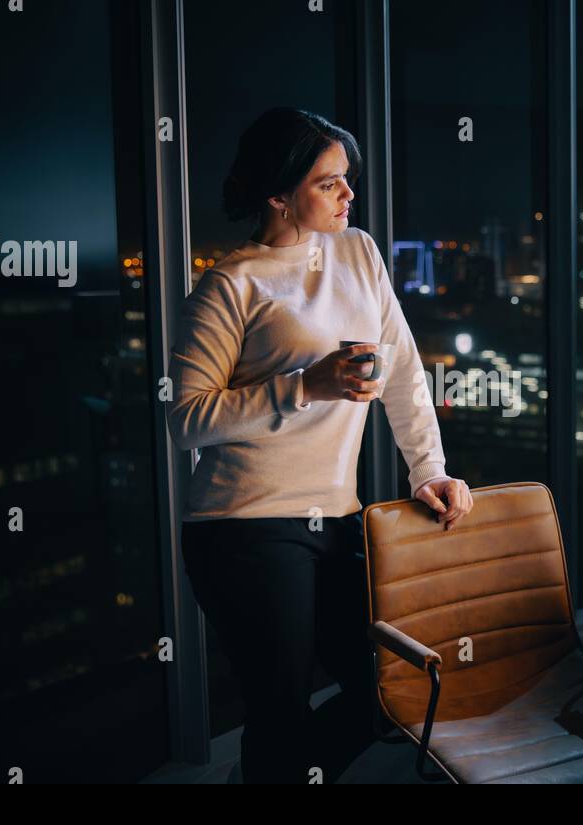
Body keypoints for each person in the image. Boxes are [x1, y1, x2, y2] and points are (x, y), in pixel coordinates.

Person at [167, 107, 473, 783]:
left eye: (347, 180)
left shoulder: (358, 252)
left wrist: (428, 469)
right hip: (243, 525)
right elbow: (187, 418)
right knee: (280, 710)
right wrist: (303, 386)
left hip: (338, 516)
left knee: (385, 695)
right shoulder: (230, 285)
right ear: (279, 194)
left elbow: (402, 371)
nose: (349, 194)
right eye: (329, 182)